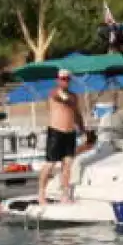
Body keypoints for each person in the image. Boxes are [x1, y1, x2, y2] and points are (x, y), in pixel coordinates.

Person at [37, 68, 86, 206]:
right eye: (62, 79)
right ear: (58, 80)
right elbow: (58, 97)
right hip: (56, 132)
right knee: (50, 164)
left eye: (67, 79)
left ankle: (65, 195)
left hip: (70, 133)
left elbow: (77, 114)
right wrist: (67, 99)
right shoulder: (54, 93)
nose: (65, 81)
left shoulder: (74, 96)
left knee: (68, 164)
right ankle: (41, 193)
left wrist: (82, 128)